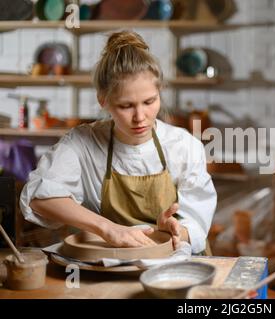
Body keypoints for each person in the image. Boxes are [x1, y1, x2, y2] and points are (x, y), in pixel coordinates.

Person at [20, 31, 217, 254]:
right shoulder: (82, 143)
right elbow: (39, 196)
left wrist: (176, 231)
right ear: (103, 100)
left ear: (159, 92)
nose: (140, 116)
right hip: (111, 263)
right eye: (126, 106)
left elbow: (198, 225)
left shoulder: (184, 146)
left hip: (173, 264)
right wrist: (107, 228)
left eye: (149, 101)